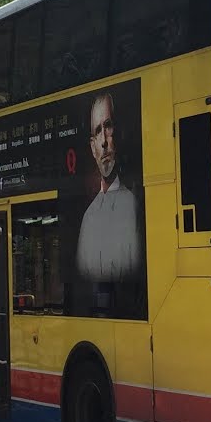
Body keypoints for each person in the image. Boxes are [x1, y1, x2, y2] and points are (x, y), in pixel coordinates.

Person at [75, 93, 143, 294]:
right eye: (97, 131)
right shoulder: (88, 218)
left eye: (108, 126)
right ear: (93, 147)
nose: (104, 140)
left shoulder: (134, 207)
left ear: (119, 133)